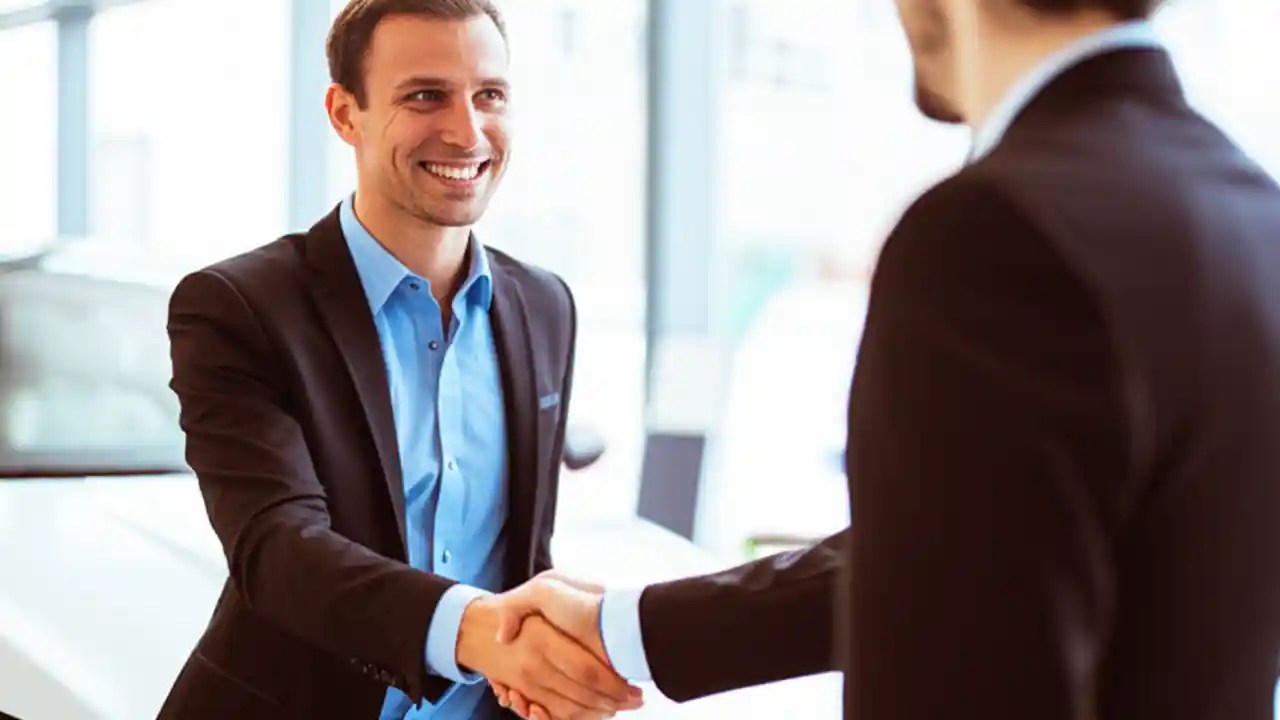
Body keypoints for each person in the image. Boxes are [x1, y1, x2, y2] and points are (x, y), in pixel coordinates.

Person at [494, 0, 1280, 718]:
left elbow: (950, 660)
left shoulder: (991, 230)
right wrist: (629, 629)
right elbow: (977, 555)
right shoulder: (1250, 212)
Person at [159, 1, 643, 718]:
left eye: (489, 96)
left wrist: (557, 649)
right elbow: (278, 549)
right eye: (425, 95)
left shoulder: (545, 306)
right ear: (344, 113)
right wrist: (482, 633)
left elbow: (520, 552)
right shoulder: (239, 306)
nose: (466, 130)